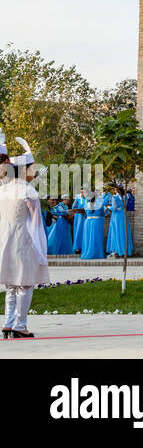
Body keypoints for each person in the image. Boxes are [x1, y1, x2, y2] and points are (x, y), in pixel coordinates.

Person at [0, 143, 49, 339]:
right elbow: (36, 224)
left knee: (11, 285)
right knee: (25, 284)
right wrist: (40, 248)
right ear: (24, 170)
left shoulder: (3, 190)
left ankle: (7, 323)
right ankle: (20, 325)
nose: (34, 170)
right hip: (23, 240)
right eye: (32, 167)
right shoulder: (28, 190)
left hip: (5, 239)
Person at [105, 185, 132, 258]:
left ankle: (117, 251)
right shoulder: (125, 197)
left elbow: (114, 208)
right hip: (123, 215)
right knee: (123, 232)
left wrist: (107, 207)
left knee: (116, 232)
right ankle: (124, 251)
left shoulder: (114, 197)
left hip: (116, 216)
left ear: (116, 190)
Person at [80, 188, 106, 260]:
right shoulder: (100, 203)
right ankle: (97, 253)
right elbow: (103, 213)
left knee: (88, 237)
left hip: (88, 221)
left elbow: (85, 213)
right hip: (96, 221)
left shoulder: (87, 204)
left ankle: (88, 252)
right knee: (96, 237)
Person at [70, 187, 87, 255]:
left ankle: (85, 246)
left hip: (86, 216)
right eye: (81, 192)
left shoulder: (88, 198)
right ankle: (78, 247)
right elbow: (73, 206)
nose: (82, 193)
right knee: (79, 231)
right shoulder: (78, 198)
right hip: (79, 217)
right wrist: (77, 210)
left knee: (85, 231)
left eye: (83, 192)